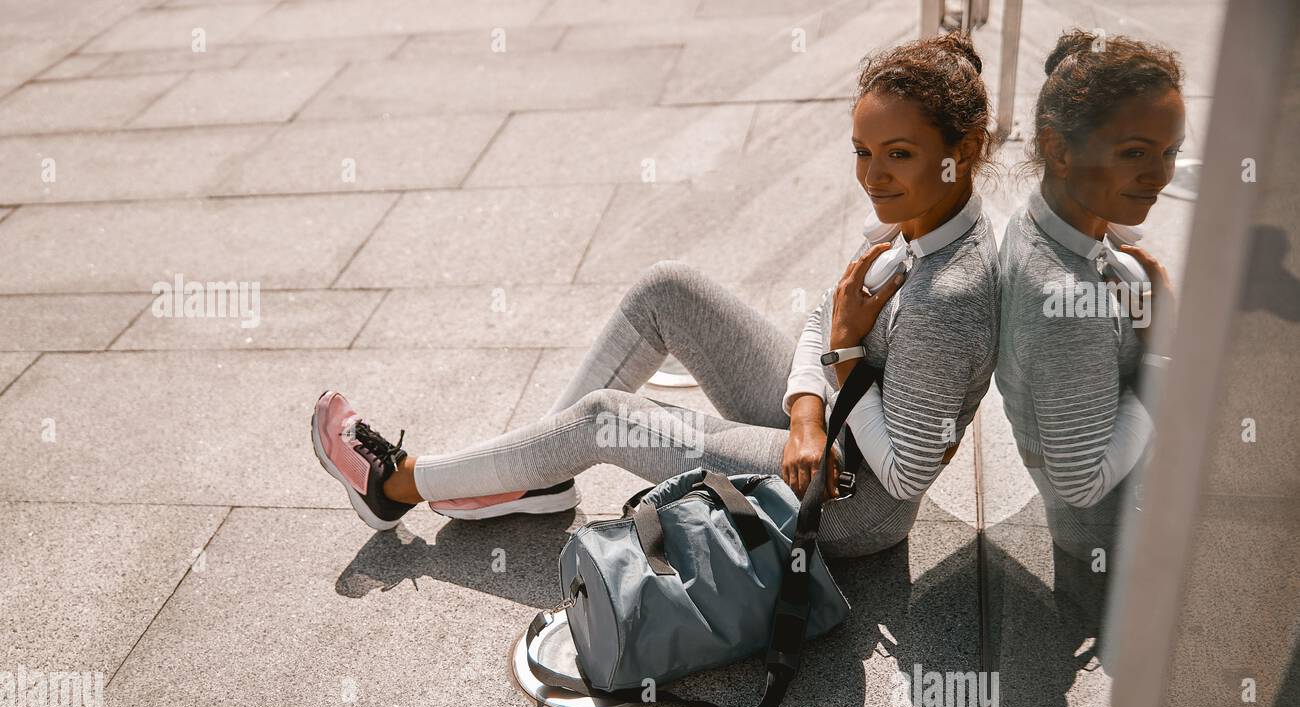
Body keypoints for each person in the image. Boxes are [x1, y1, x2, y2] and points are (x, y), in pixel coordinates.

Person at [312, 31, 1001, 559]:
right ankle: (541, 476)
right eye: (861, 151)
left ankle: (395, 487)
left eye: (898, 154)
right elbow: (829, 318)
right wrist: (808, 413)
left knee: (604, 418)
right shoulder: (910, 215)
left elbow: (906, 475)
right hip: (823, 429)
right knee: (666, 288)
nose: (873, 176)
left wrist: (843, 361)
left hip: (851, 498)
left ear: (963, 149)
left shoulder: (952, 295)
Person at [996, 28, 1183, 572]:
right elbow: (1082, 484)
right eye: (1135, 154)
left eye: (1170, 152)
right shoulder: (1068, 301)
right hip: (1112, 528)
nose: (1161, 176)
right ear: (1058, 150)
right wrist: (1163, 351)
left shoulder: (1041, 217)